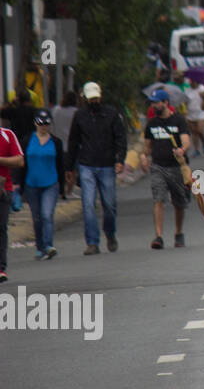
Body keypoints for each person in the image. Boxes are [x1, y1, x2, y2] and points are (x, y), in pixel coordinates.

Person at [65, 82, 126, 255]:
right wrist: (69, 167)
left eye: (96, 98)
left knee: (109, 204)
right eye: (91, 98)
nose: (94, 101)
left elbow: (120, 138)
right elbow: (73, 141)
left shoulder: (111, 114)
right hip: (86, 165)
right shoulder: (80, 116)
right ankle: (92, 242)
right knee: (88, 204)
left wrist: (120, 159)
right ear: (85, 98)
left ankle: (110, 233)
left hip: (106, 164)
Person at [140, 89, 191, 250]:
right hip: (158, 166)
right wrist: (143, 157)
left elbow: (186, 140)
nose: (154, 105)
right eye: (153, 103)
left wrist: (182, 150)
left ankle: (179, 232)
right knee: (158, 199)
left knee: (179, 202)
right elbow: (147, 146)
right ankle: (159, 236)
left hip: (176, 167)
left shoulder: (178, 120)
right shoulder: (152, 123)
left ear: (165, 103)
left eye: (157, 102)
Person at [25, 110, 62, 261]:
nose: (43, 126)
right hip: (31, 184)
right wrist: (16, 184)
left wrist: (64, 187)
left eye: (46, 123)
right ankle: (40, 247)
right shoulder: (27, 140)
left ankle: (48, 245)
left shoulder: (56, 142)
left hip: (51, 183)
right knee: (37, 217)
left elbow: (61, 165)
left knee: (47, 215)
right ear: (35, 123)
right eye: (41, 123)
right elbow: (22, 163)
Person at [0, 120, 23, 283]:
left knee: (1, 227)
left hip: (3, 188)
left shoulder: (7, 135)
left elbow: (19, 161)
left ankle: (1, 268)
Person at [183, 77, 204, 156]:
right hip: (191, 113)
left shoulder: (202, 88)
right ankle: (196, 149)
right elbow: (185, 102)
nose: (192, 83)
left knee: (199, 130)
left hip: (201, 112)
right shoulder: (187, 90)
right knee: (194, 132)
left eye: (194, 81)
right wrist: (185, 112)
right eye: (191, 81)